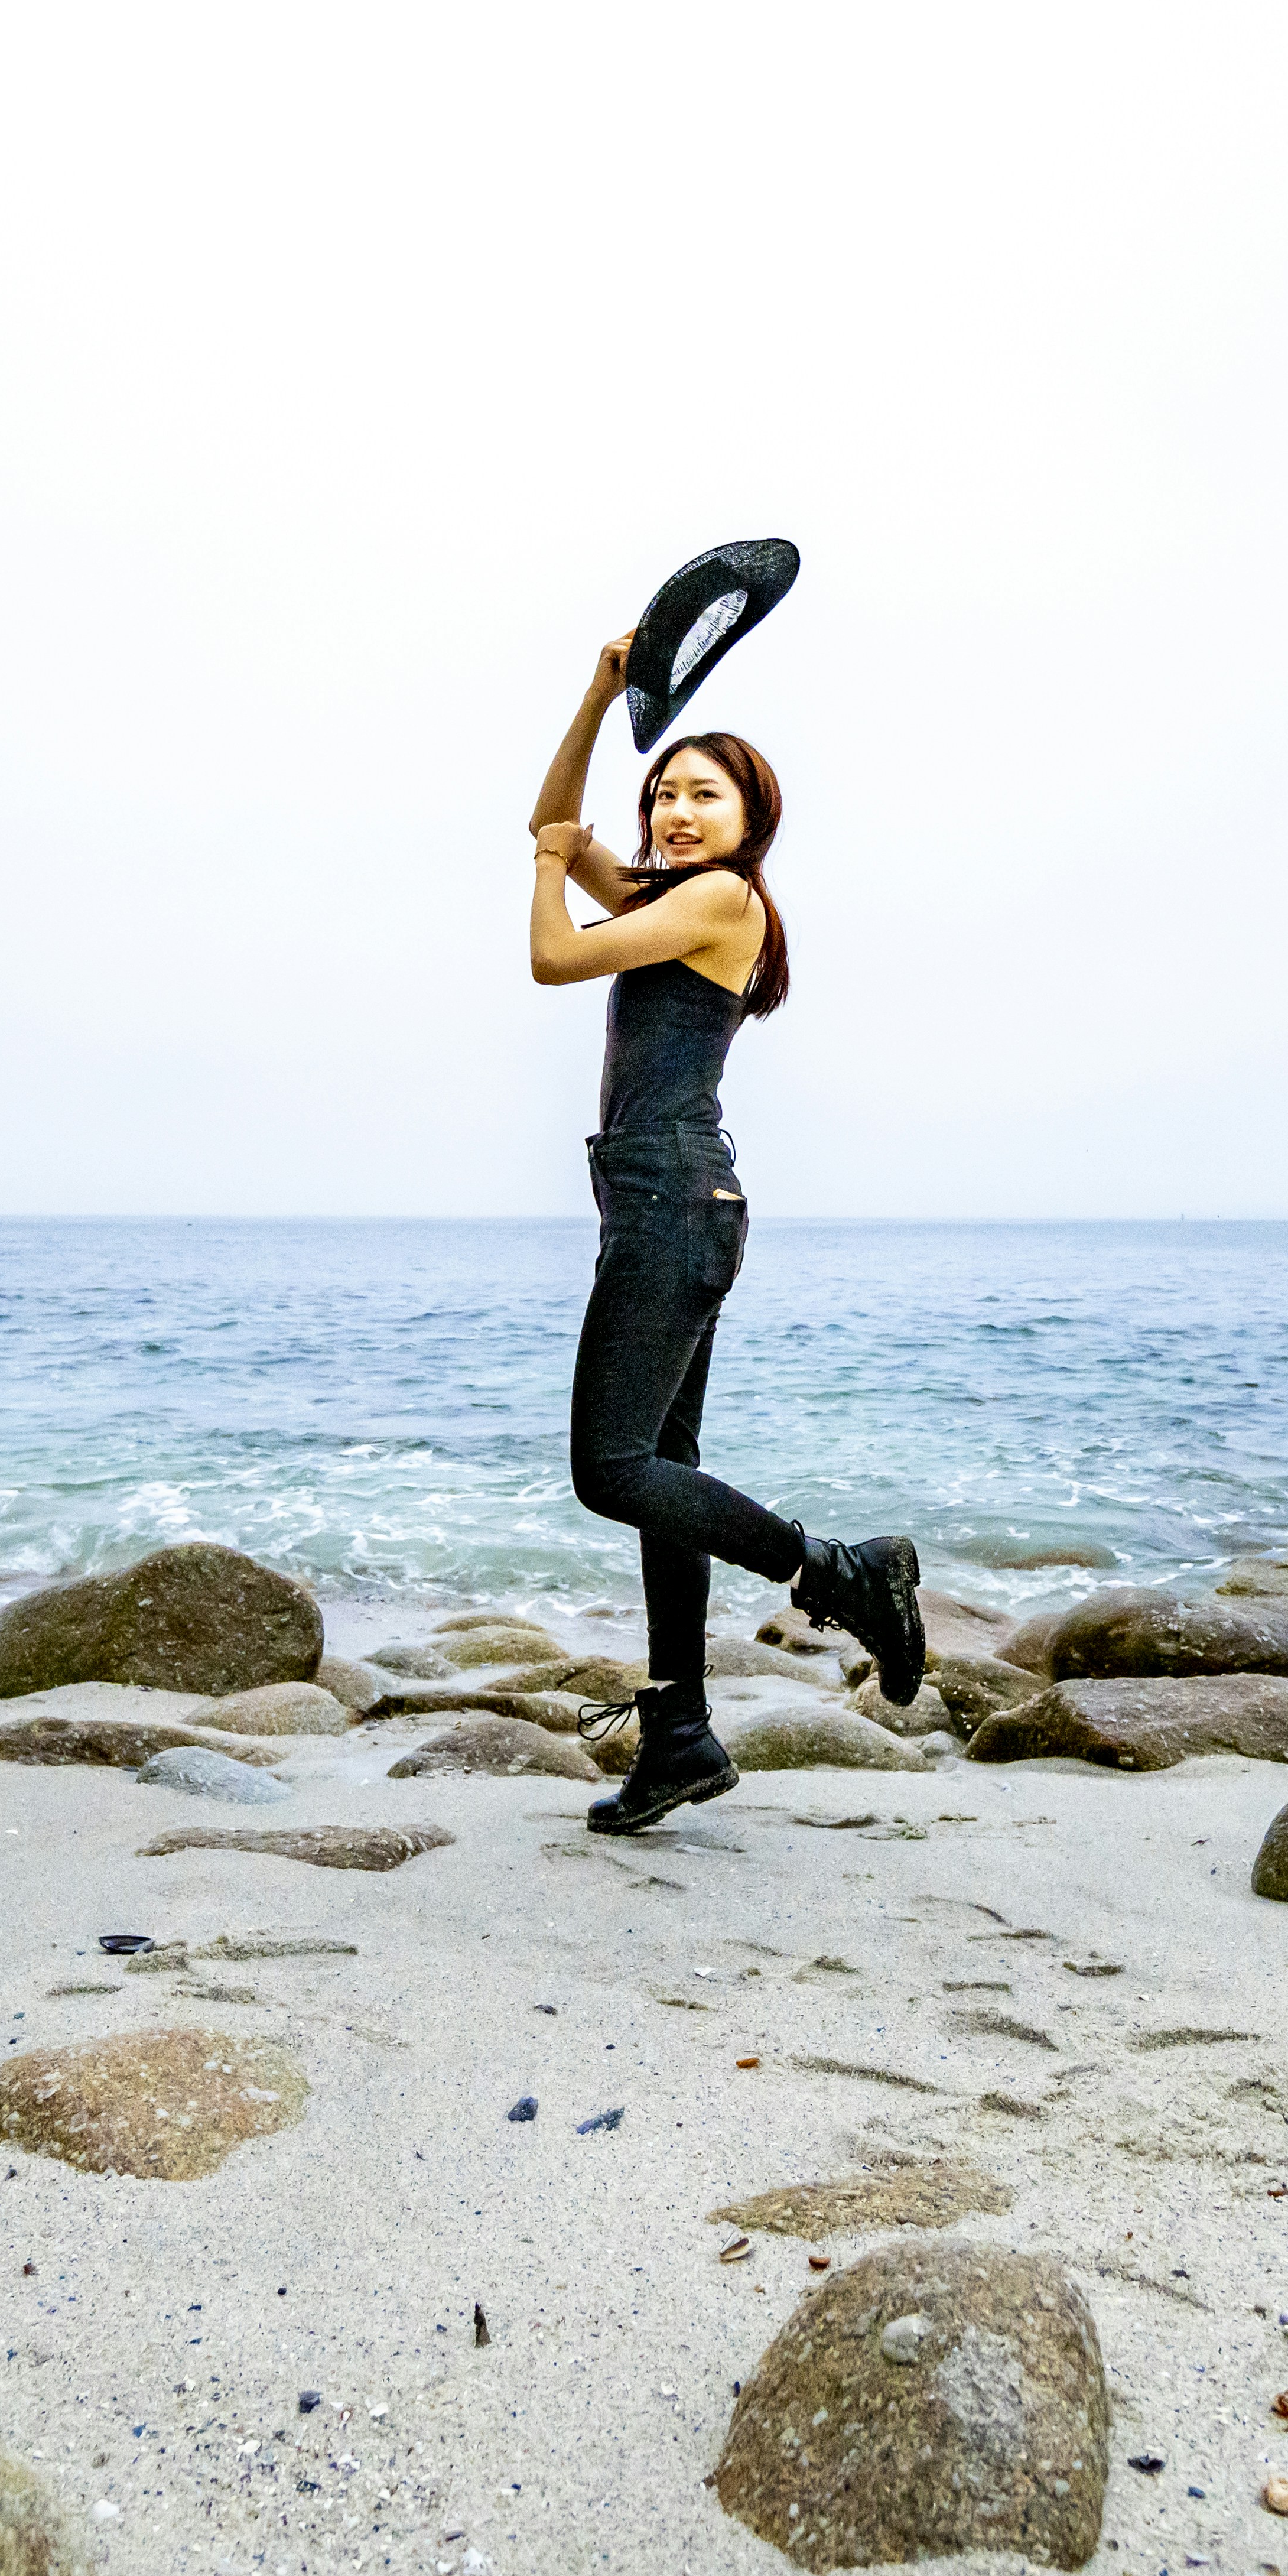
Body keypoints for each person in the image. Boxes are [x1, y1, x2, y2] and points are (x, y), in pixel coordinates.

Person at [526, 626, 929, 1831]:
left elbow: (552, 953)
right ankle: (680, 1733)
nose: (674, 806)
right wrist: (601, 696)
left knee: (612, 1471)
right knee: (666, 1481)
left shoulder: (718, 898)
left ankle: (838, 1572)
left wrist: (552, 870)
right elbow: (549, 817)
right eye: (664, 791)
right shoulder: (672, 895)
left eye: (703, 791)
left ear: (753, 813)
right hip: (666, 1204)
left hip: (668, 1208)